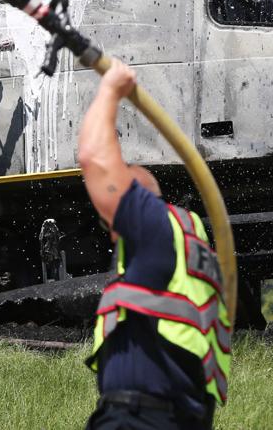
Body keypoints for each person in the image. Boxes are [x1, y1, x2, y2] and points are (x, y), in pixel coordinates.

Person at [77, 61, 231, 430]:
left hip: (139, 417)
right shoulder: (191, 243)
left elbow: (94, 158)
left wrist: (111, 89)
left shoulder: (152, 228)